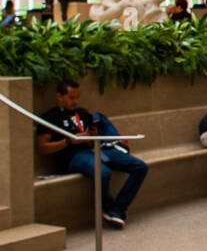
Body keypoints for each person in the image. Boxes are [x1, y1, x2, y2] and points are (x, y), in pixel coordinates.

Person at [36, 79, 148, 228]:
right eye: (71, 98)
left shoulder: (82, 113)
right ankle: (111, 209)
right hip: (72, 157)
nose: (75, 101)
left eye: (77, 97)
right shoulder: (50, 117)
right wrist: (69, 141)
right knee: (103, 173)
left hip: (95, 149)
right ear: (59, 96)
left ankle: (117, 209)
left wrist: (94, 134)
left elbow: (93, 133)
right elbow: (42, 148)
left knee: (140, 167)